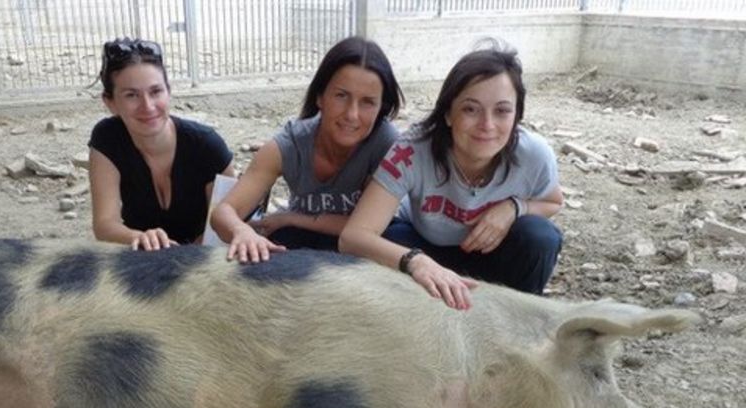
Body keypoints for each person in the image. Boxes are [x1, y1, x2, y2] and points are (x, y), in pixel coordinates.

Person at [339, 43, 564, 311]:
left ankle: (519, 316)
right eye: (470, 109)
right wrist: (416, 261)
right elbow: (353, 237)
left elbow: (553, 202)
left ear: (517, 115)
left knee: (539, 236)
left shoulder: (533, 154)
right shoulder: (412, 150)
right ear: (448, 113)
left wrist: (514, 208)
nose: (487, 125)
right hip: (427, 250)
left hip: (494, 257)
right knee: (390, 237)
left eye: (502, 110)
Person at [210, 36, 404, 262]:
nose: (352, 114)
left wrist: (291, 218)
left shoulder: (386, 143)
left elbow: (365, 229)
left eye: (367, 102)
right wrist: (241, 231)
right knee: (274, 244)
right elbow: (223, 213)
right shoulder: (289, 145)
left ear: (382, 107)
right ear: (320, 97)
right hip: (302, 240)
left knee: (400, 236)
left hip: (360, 242)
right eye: (341, 96)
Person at [89, 37, 234, 249]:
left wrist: (185, 256)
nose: (147, 106)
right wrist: (140, 237)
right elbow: (104, 225)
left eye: (156, 91)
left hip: (206, 256)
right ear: (110, 103)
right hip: (144, 255)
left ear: (169, 92)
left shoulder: (208, 145)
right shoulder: (107, 138)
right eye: (131, 95)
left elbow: (230, 223)